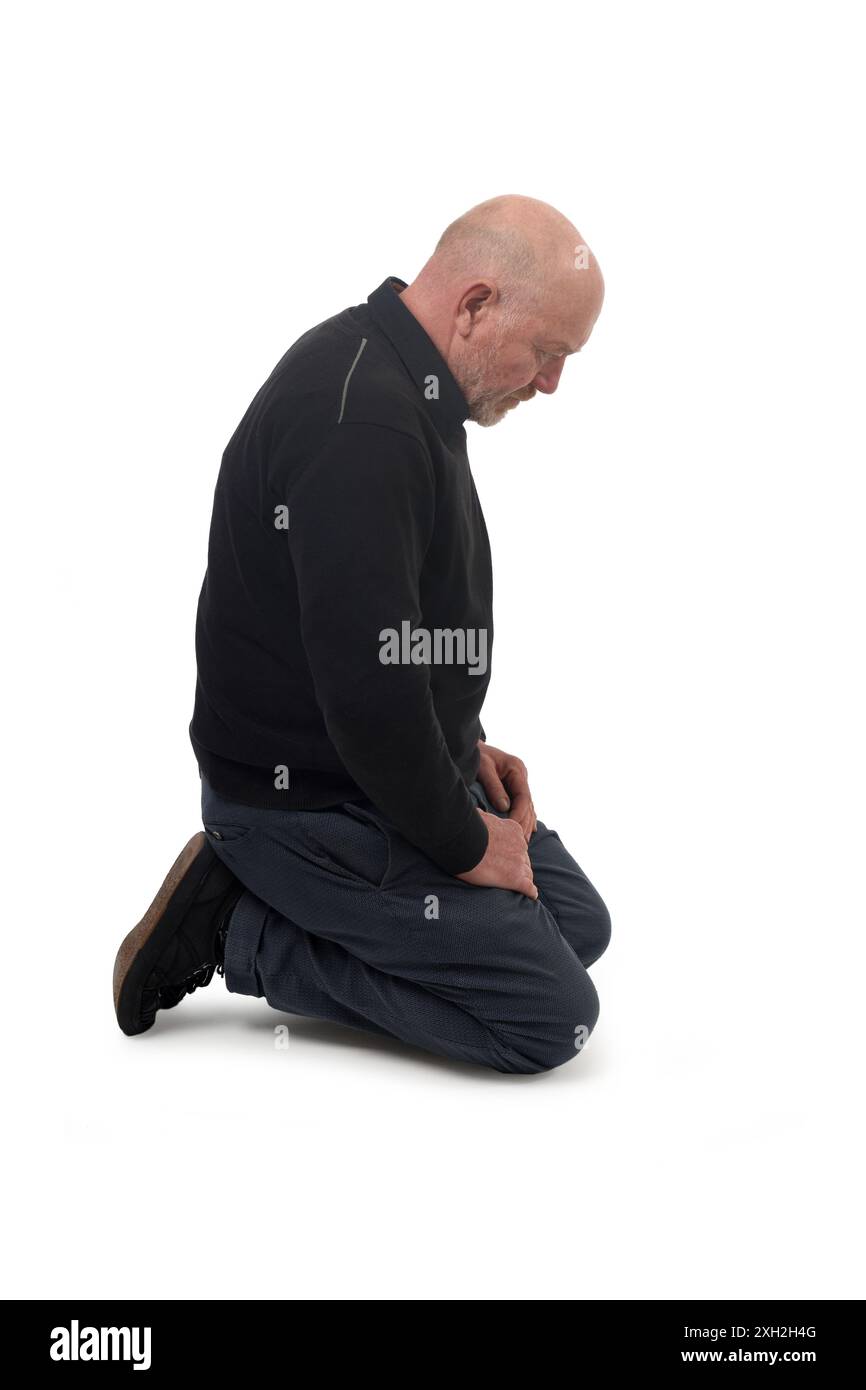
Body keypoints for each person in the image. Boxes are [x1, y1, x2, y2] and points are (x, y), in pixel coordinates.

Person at [113, 193, 611, 1074]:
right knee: (549, 1016)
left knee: (581, 928)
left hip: (371, 765)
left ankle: (311, 895)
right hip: (302, 803)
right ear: (476, 305)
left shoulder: (411, 381)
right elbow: (368, 693)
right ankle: (237, 925)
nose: (550, 384)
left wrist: (468, 742)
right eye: (548, 353)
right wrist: (462, 845)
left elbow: (387, 628)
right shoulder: (365, 425)